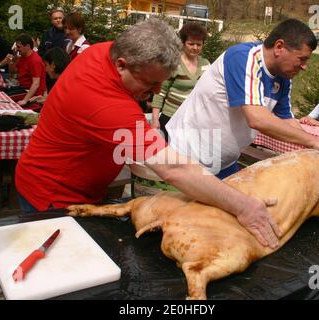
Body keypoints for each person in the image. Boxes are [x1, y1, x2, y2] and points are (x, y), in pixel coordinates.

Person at [15, 18, 283, 250]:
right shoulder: (106, 103)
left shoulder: (105, 51)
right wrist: (244, 206)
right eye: (151, 82)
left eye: (162, 83)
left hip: (82, 188)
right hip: (52, 197)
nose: (156, 92)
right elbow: (174, 169)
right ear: (122, 65)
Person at [166, 18, 319, 180]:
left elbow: (287, 121)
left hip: (223, 161)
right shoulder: (243, 58)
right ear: (279, 47)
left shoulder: (283, 77)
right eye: (301, 59)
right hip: (188, 155)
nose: (304, 67)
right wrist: (317, 142)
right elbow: (257, 118)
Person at [151, 23, 210, 140]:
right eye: (191, 43)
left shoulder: (206, 64)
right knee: (169, 155)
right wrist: (155, 119)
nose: (195, 47)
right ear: (183, 43)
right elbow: (160, 92)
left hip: (193, 121)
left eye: (199, 44)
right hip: (171, 118)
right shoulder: (173, 64)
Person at [1, 34, 47, 106]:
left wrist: (25, 100)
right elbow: (13, 73)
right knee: (1, 92)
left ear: (28, 46)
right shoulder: (22, 56)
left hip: (30, 92)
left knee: (4, 99)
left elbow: (36, 83)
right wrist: (13, 60)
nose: (17, 49)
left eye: (19, 47)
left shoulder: (35, 60)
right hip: (22, 87)